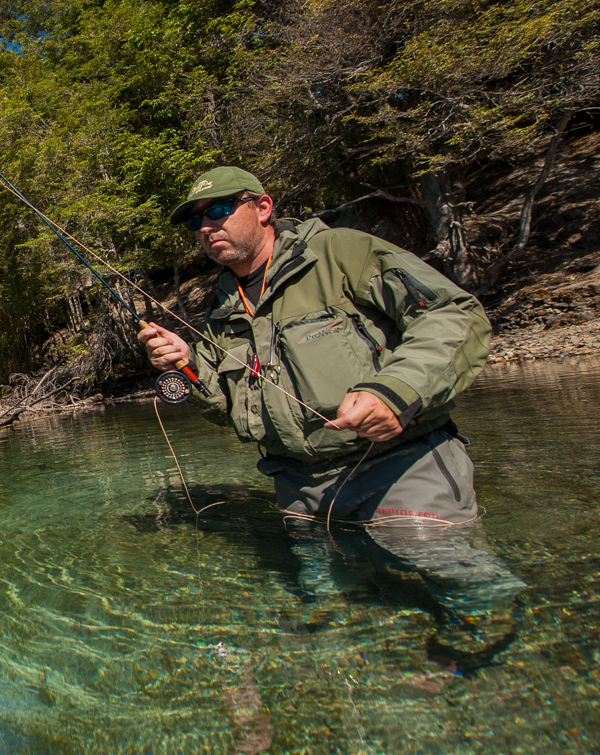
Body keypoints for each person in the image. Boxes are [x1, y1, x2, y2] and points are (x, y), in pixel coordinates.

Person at [138, 166, 525, 667]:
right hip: (299, 489)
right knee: (328, 604)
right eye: (195, 221)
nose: (206, 226)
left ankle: (498, 671)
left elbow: (455, 314)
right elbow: (231, 410)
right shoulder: (222, 305)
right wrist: (187, 366)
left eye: (218, 210)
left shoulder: (342, 253)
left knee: (465, 585)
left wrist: (395, 391)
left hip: (400, 462)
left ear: (262, 207)